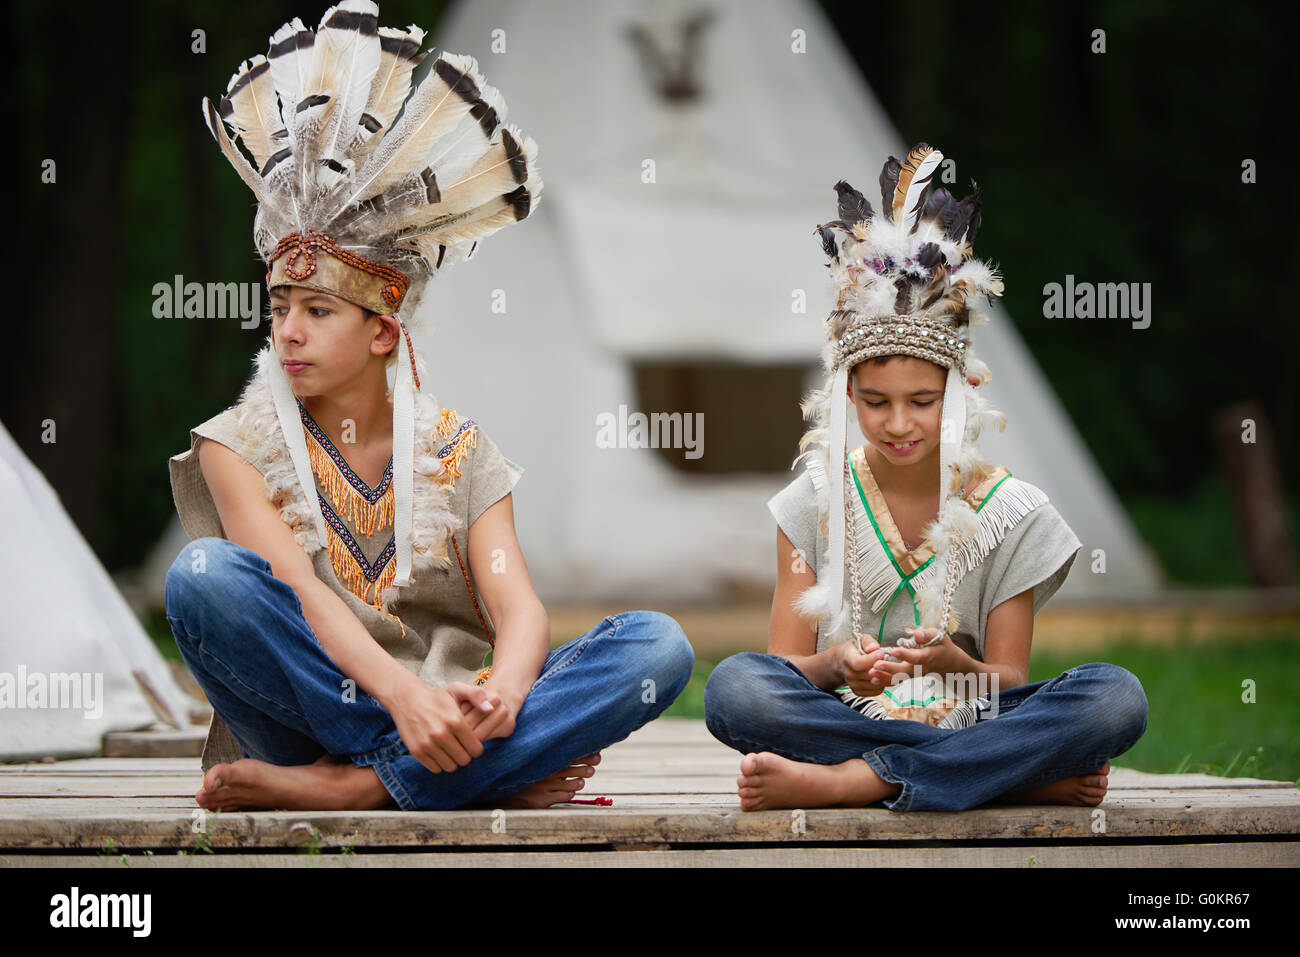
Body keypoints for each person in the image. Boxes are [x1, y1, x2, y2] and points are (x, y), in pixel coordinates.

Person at [165, 3, 693, 812]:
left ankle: (363, 788)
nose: (288, 331)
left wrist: (512, 691)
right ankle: (463, 773)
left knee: (658, 643)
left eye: (318, 310)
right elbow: (297, 592)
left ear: (382, 331)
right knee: (203, 576)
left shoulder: (461, 450)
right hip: (312, 716)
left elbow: (517, 606)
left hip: (460, 708)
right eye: (279, 308)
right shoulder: (233, 445)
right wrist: (405, 703)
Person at [703, 144, 1148, 812]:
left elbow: (1005, 681)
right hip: (848, 710)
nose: (900, 424)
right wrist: (836, 665)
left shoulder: (1012, 510)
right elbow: (781, 669)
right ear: (849, 396)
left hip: (972, 713)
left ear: (958, 394)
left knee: (1115, 698)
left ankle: (859, 780)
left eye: (923, 401)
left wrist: (952, 666)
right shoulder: (812, 500)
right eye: (877, 402)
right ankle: (1010, 776)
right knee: (734, 687)